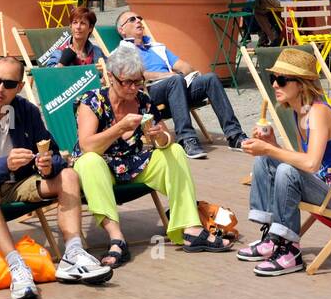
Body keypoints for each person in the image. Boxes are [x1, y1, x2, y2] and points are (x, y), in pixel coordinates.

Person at [0, 54, 111, 298]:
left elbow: (54, 154)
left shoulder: (27, 111)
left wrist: (47, 166)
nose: (0, 89)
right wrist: (5, 164)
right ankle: (16, 265)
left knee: (68, 175)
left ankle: (73, 254)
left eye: (9, 84)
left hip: (19, 183)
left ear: (20, 87)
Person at [73, 43, 235, 267]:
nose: (133, 88)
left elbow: (165, 138)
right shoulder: (92, 102)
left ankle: (191, 229)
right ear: (110, 77)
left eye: (137, 81)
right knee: (89, 162)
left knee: (176, 150)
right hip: (102, 164)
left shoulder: (143, 100)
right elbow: (87, 146)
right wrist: (119, 129)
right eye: (127, 82)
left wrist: (160, 137)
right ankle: (116, 238)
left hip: (134, 163)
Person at [239, 46, 331, 275]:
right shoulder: (301, 112)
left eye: (282, 79)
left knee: (283, 167)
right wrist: (272, 145)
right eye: (273, 78)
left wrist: (268, 148)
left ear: (301, 83)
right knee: (264, 161)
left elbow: (310, 164)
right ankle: (273, 237)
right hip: (325, 189)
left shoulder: (318, 112)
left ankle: (290, 252)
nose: (275, 84)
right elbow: (300, 161)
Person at [116, 9, 247, 160]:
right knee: (175, 80)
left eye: (139, 18)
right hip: (150, 92)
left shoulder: (156, 47)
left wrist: (188, 74)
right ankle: (186, 139)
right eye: (132, 20)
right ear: (122, 30)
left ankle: (235, 135)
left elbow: (184, 66)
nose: (138, 21)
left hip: (175, 88)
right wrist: (168, 75)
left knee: (210, 78)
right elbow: (137, 75)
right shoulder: (123, 52)